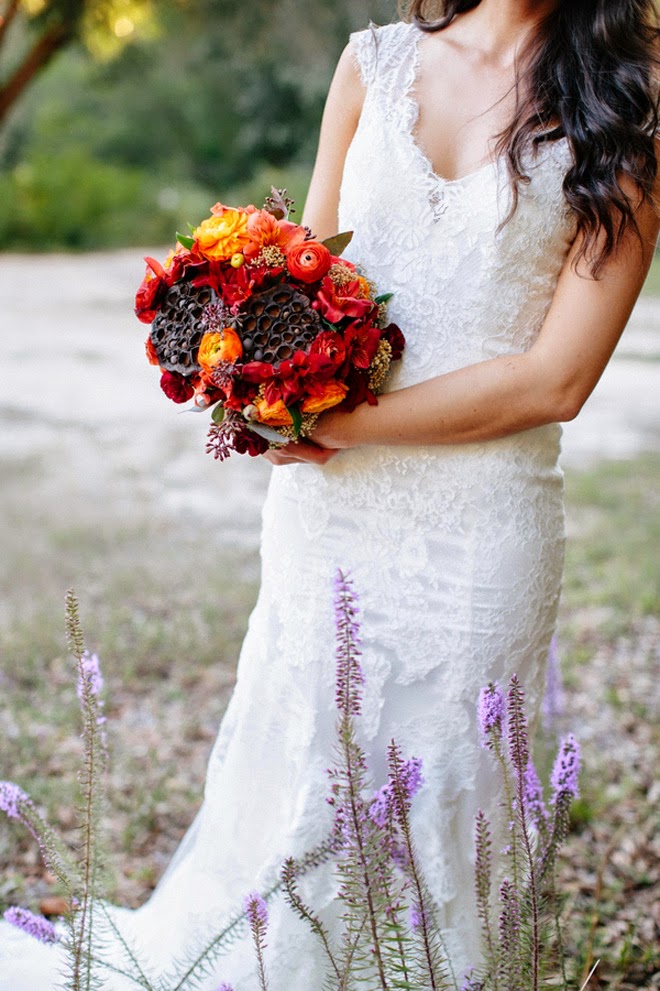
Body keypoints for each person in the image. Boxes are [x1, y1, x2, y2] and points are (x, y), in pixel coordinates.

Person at [0, 1, 658, 988]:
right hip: (328, 510)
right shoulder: (374, 64)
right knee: (300, 766)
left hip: (483, 528)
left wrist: (341, 427)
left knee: (443, 805)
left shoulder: (629, 107)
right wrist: (250, 374)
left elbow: (555, 379)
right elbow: (301, 281)